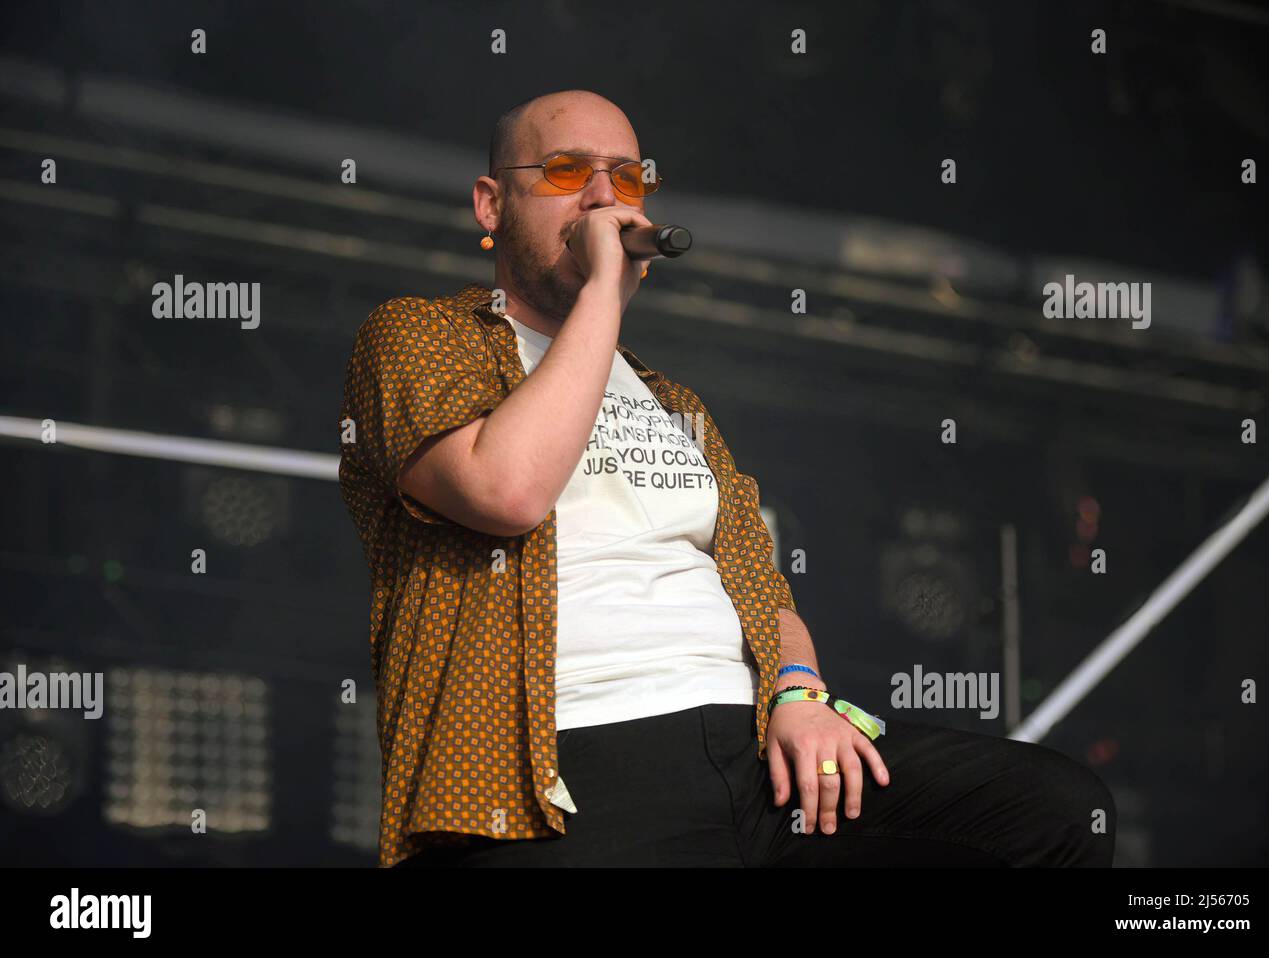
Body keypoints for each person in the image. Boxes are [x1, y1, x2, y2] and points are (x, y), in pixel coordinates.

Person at [337, 89, 1116, 868]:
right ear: (490, 203)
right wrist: (604, 291)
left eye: (628, 178)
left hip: (754, 754)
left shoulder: (675, 402)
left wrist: (799, 693)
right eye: (567, 171)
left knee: (1053, 811)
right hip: (565, 763)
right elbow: (506, 491)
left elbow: (763, 590)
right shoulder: (419, 335)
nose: (605, 198)